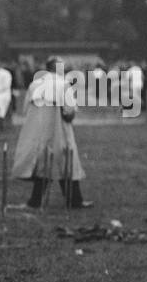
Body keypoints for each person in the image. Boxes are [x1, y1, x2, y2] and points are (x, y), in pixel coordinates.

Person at [11, 57, 91, 208]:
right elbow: (69, 112)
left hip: (38, 132)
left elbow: (26, 109)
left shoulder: (35, 84)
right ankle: (74, 200)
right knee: (67, 162)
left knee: (43, 164)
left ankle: (36, 200)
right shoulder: (64, 84)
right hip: (59, 130)